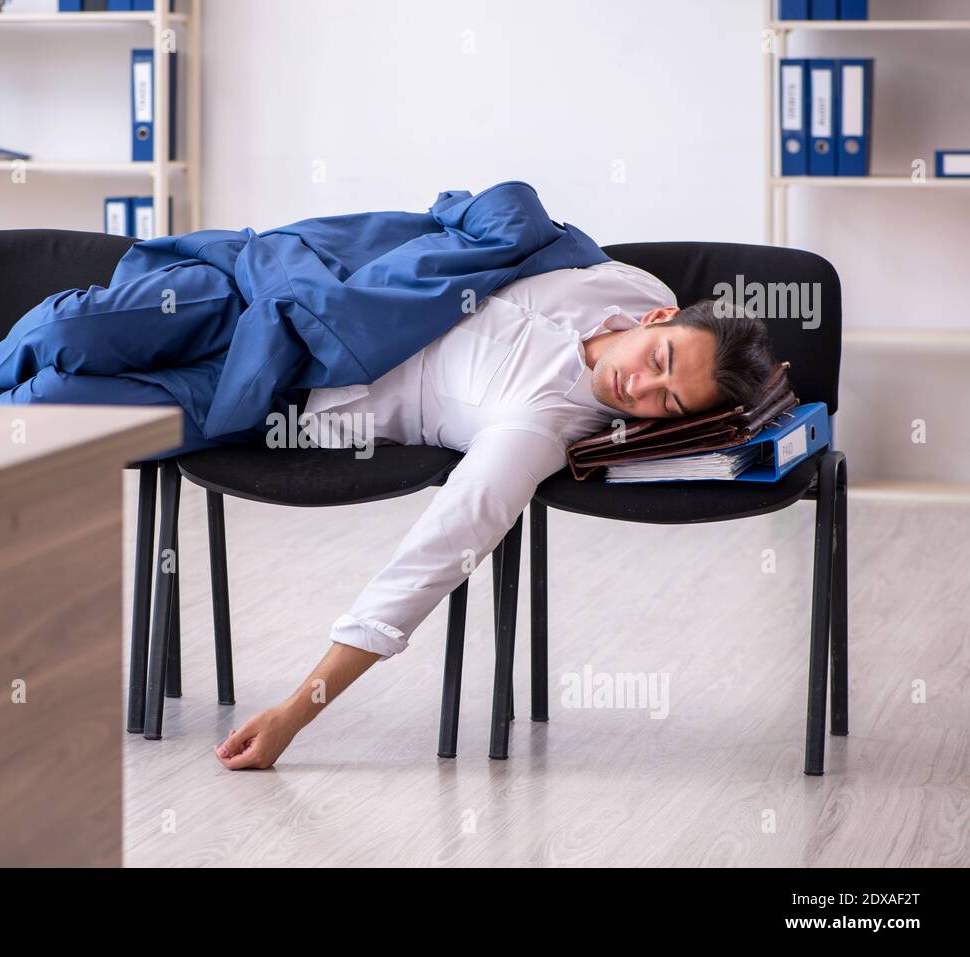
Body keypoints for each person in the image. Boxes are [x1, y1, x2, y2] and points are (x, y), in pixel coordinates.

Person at [212, 260, 778, 770]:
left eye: (668, 402)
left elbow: (427, 562)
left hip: (277, 380)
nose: (640, 385)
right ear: (659, 317)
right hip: (316, 277)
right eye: (659, 359)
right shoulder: (631, 285)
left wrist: (294, 714)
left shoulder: (535, 432)